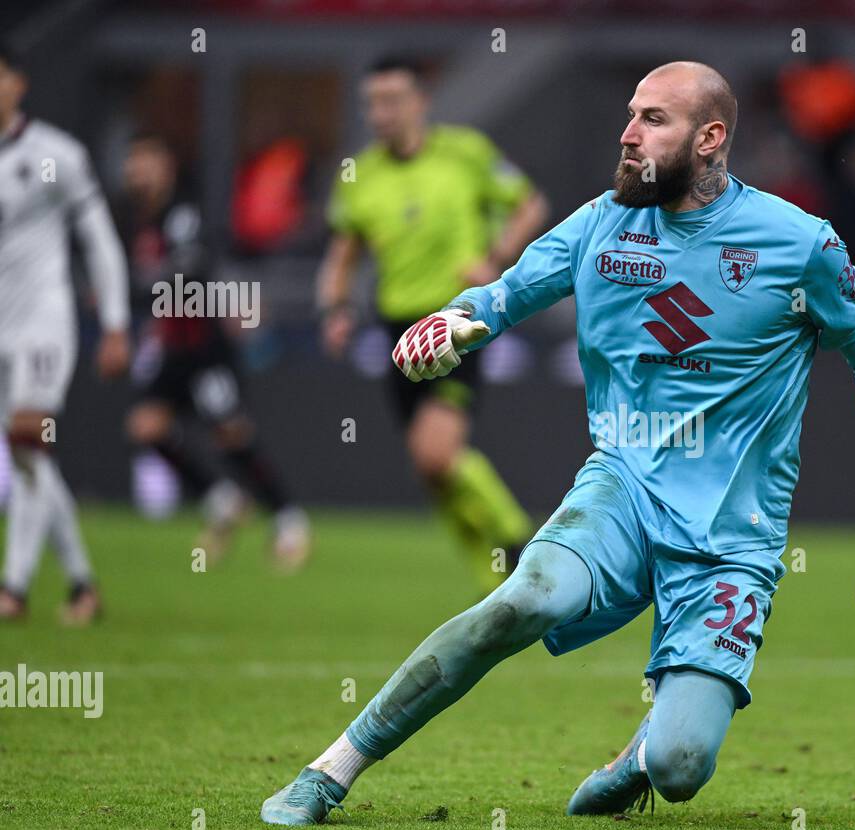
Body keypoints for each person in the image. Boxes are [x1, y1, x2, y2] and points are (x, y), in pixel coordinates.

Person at [262, 61, 855, 825]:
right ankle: (331, 770)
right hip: (623, 490)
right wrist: (455, 321)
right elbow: (502, 294)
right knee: (520, 602)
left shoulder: (799, 244)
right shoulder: (601, 224)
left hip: (732, 539)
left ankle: (640, 757)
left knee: (683, 768)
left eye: (654, 119)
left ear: (711, 137)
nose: (628, 133)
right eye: (631, 114)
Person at [318, 56, 548, 592]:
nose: (381, 114)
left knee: (436, 452)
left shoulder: (465, 153)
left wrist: (496, 259)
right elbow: (343, 256)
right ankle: (490, 575)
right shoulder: (361, 175)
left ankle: (521, 544)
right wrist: (334, 310)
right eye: (372, 103)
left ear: (420, 102)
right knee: (431, 469)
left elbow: (530, 204)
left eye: (393, 100)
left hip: (455, 321)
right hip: (396, 329)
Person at [118, 132, 310, 569]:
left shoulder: (182, 214)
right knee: (146, 428)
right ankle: (222, 499)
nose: (135, 170)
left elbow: (188, 269)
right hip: (172, 349)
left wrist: (134, 287)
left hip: (204, 347)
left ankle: (288, 519)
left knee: (231, 433)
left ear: (165, 165)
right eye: (132, 161)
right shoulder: (139, 220)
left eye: (144, 159)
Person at [0, 42, 131, 624]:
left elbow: (100, 241)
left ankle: (13, 588)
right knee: (30, 457)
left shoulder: (57, 154)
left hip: (44, 322)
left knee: (28, 440)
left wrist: (116, 325)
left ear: (19, 81)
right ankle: (82, 583)